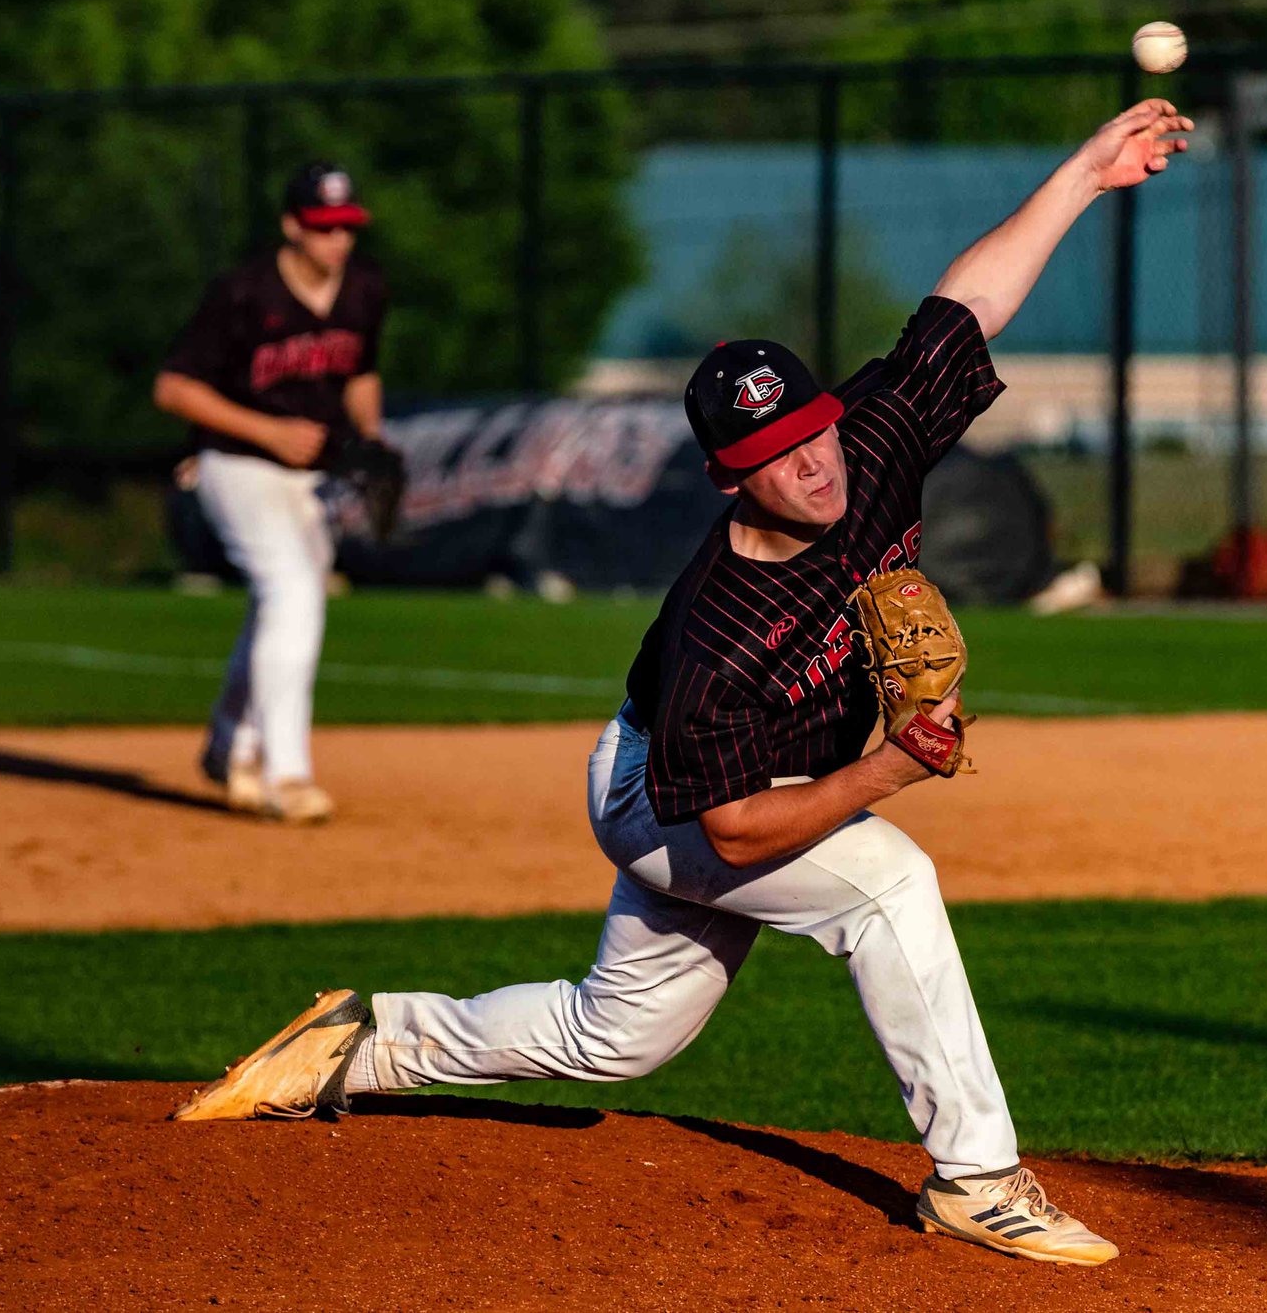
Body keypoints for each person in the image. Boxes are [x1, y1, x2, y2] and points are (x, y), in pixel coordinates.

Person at [173, 102, 1191, 1264]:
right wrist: (888, 768)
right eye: (774, 455)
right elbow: (742, 834)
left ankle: (361, 1049)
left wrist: (1081, 175)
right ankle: (974, 1175)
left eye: (813, 430)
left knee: (619, 1037)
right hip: (666, 791)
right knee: (886, 889)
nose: (811, 463)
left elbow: (968, 307)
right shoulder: (721, 633)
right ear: (725, 480)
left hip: (756, 780)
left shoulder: (867, 443)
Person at [154, 161, 388, 824]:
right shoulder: (243, 292)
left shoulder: (365, 289)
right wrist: (267, 429)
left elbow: (362, 375)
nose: (336, 241)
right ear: (292, 226)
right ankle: (288, 772)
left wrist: (368, 443)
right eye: (322, 228)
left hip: (310, 476)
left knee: (279, 603)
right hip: (234, 464)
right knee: (293, 591)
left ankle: (229, 743)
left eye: (346, 227)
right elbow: (173, 388)